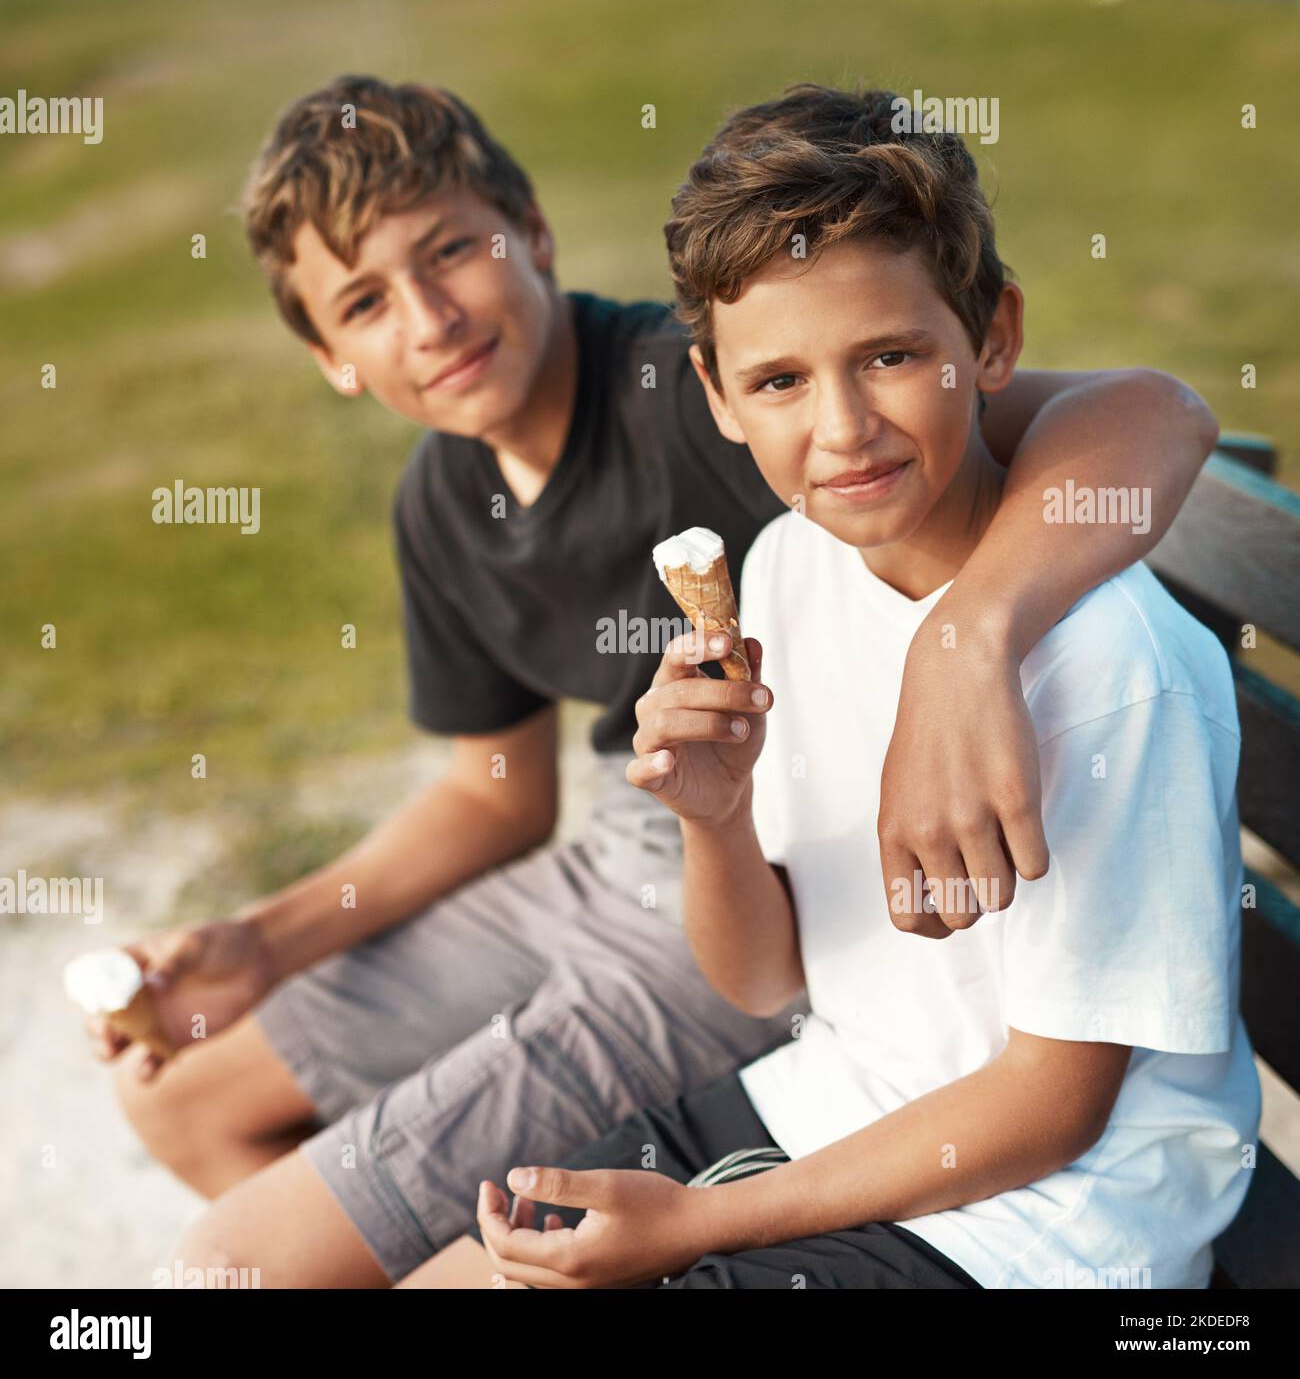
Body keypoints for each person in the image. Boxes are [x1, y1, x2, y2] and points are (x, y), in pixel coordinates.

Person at [87, 77, 1222, 1287]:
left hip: (1021, 1193)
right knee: (210, 1124)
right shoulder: (742, 546)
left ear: (533, 234)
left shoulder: (694, 398)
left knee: (239, 1266)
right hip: (717, 935)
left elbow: (1146, 411)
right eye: (365, 301)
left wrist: (967, 638)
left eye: (450, 253)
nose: (427, 319)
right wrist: (266, 943)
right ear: (329, 355)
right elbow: (497, 796)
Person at [435, 83, 1259, 1290]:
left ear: (991, 340)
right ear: (715, 396)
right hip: (838, 1100)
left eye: (889, 356)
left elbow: (1054, 1108)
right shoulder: (783, 570)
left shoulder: (1108, 666)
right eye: (778, 381)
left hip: (1049, 1220)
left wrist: (703, 1226)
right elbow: (767, 979)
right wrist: (712, 817)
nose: (844, 428)